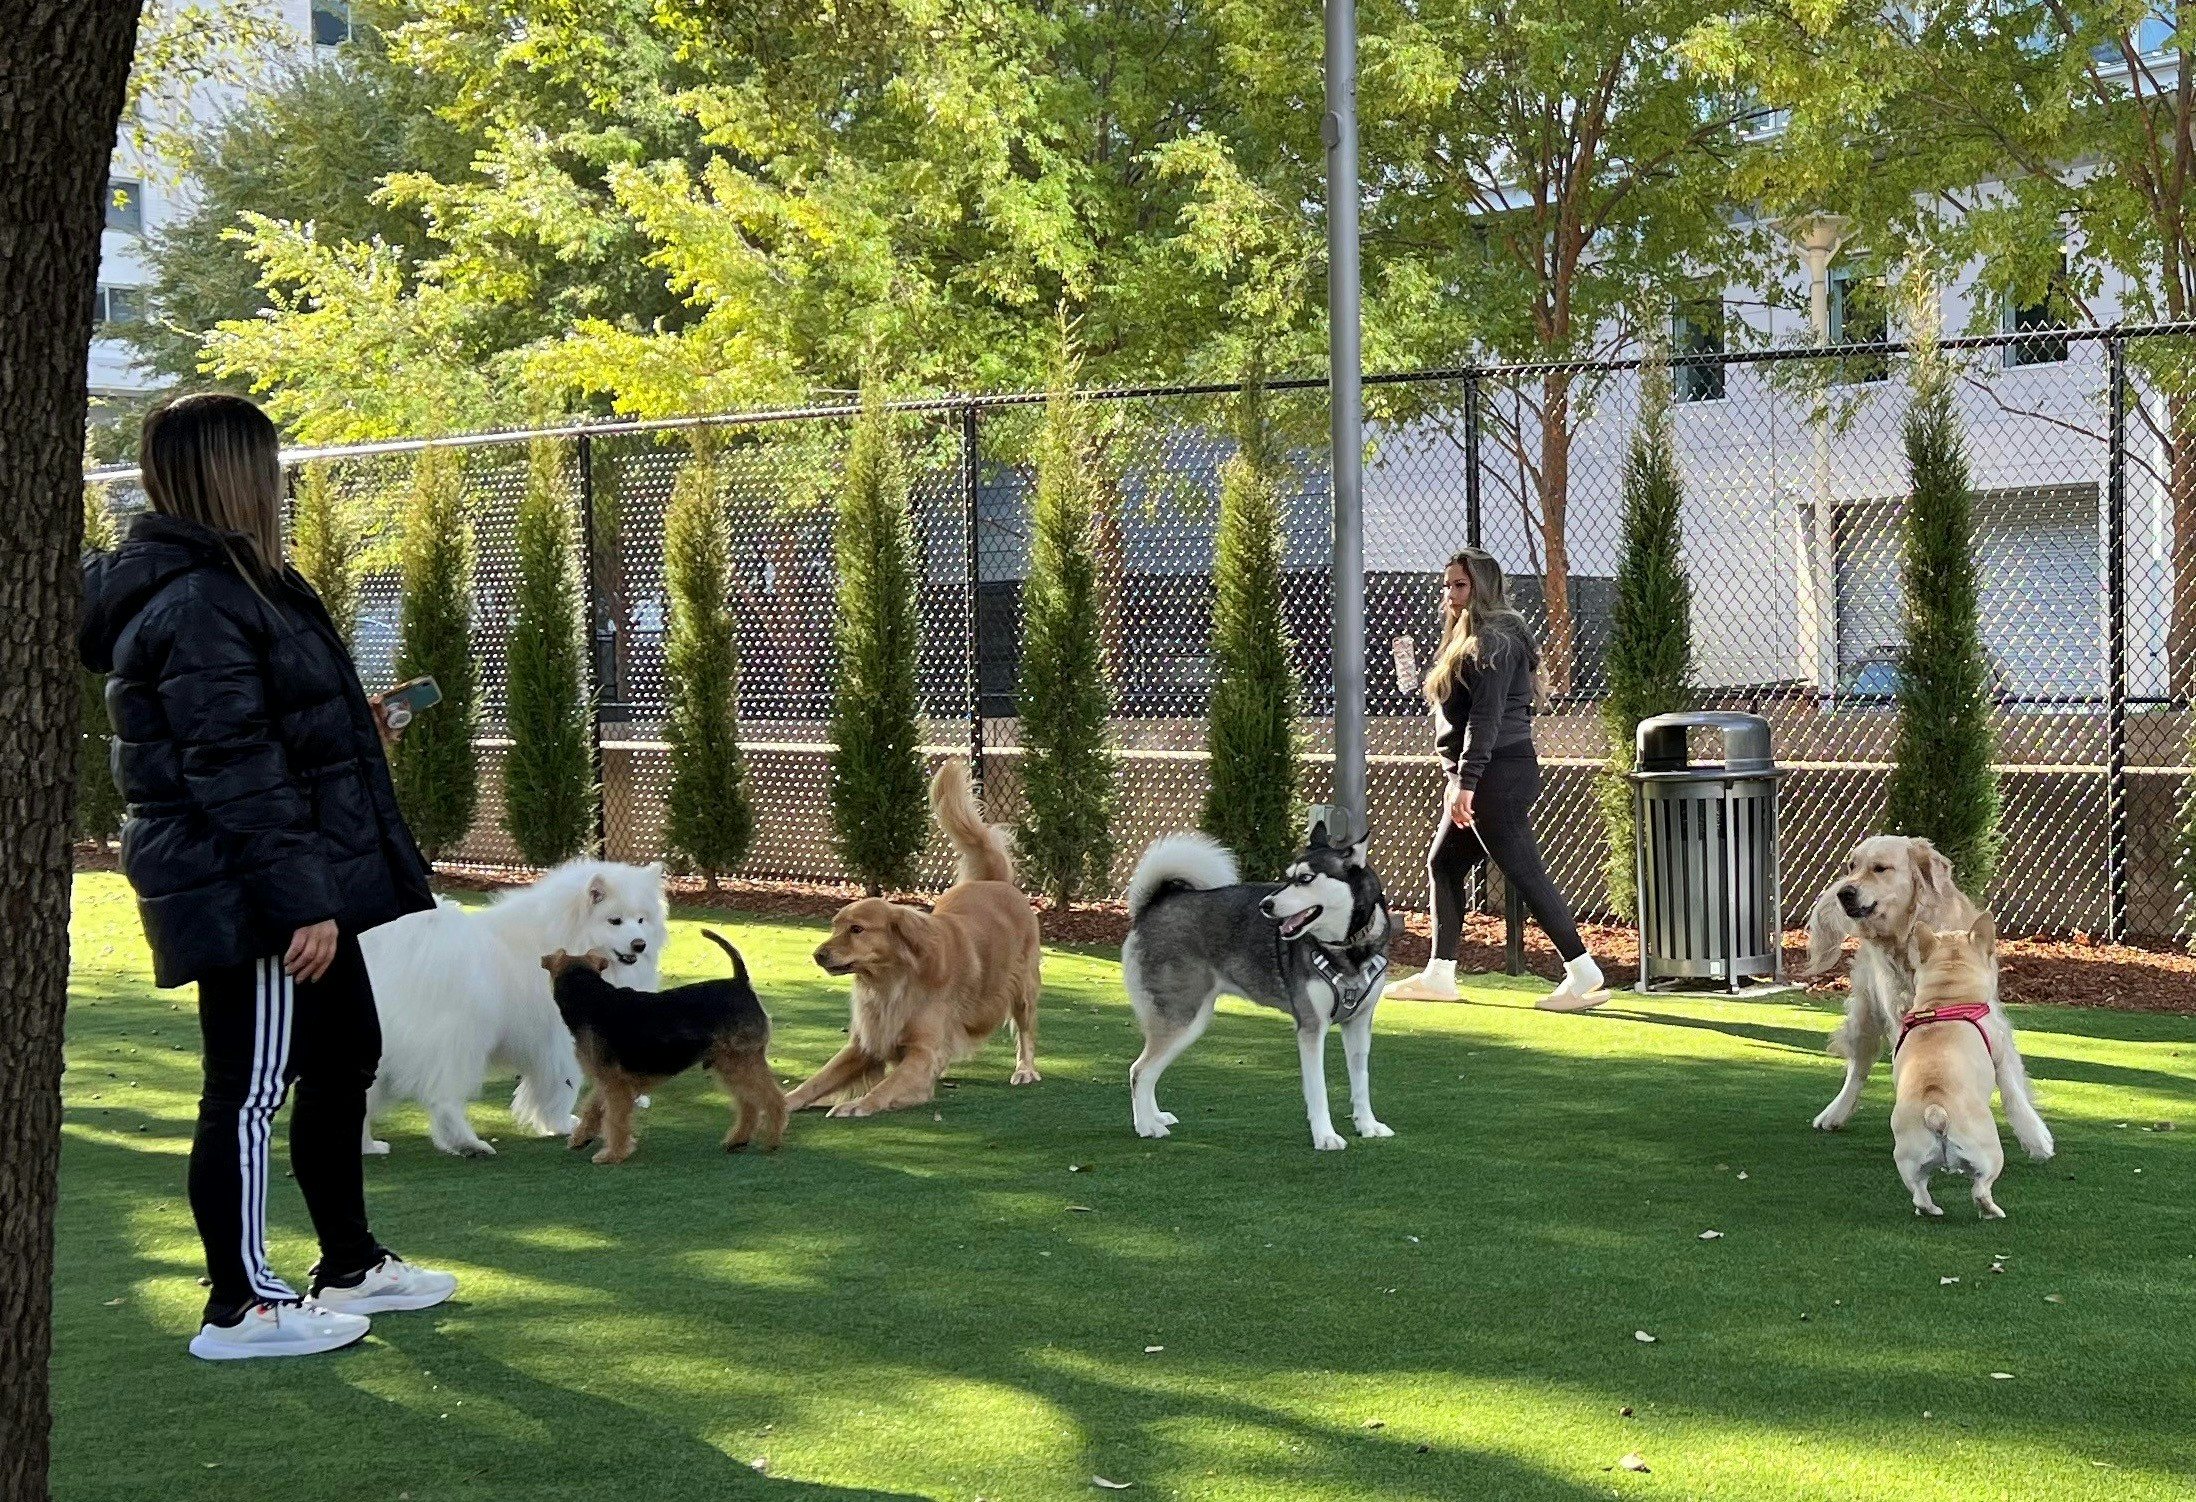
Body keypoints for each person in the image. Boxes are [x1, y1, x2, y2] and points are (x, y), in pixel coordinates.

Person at [80, 393, 458, 1360]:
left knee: (342, 1059)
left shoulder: (246, 584)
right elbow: (228, 765)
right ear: (234, 473)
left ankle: (350, 1264)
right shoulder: (200, 598)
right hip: (246, 890)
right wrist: (301, 903)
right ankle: (239, 1307)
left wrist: (353, 726)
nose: (281, 477)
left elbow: (263, 734)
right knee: (247, 1090)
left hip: (284, 877)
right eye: (269, 460)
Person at [1383, 548, 1608, 1010]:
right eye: (1446, 585)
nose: (1450, 593)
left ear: (1482, 587)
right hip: (1491, 771)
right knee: (1445, 863)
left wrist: (1465, 783)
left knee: (1523, 872)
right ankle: (1440, 974)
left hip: (1496, 774)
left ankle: (1582, 969)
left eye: (1460, 585)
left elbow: (1484, 719)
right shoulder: (1473, 636)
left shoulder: (1495, 640)